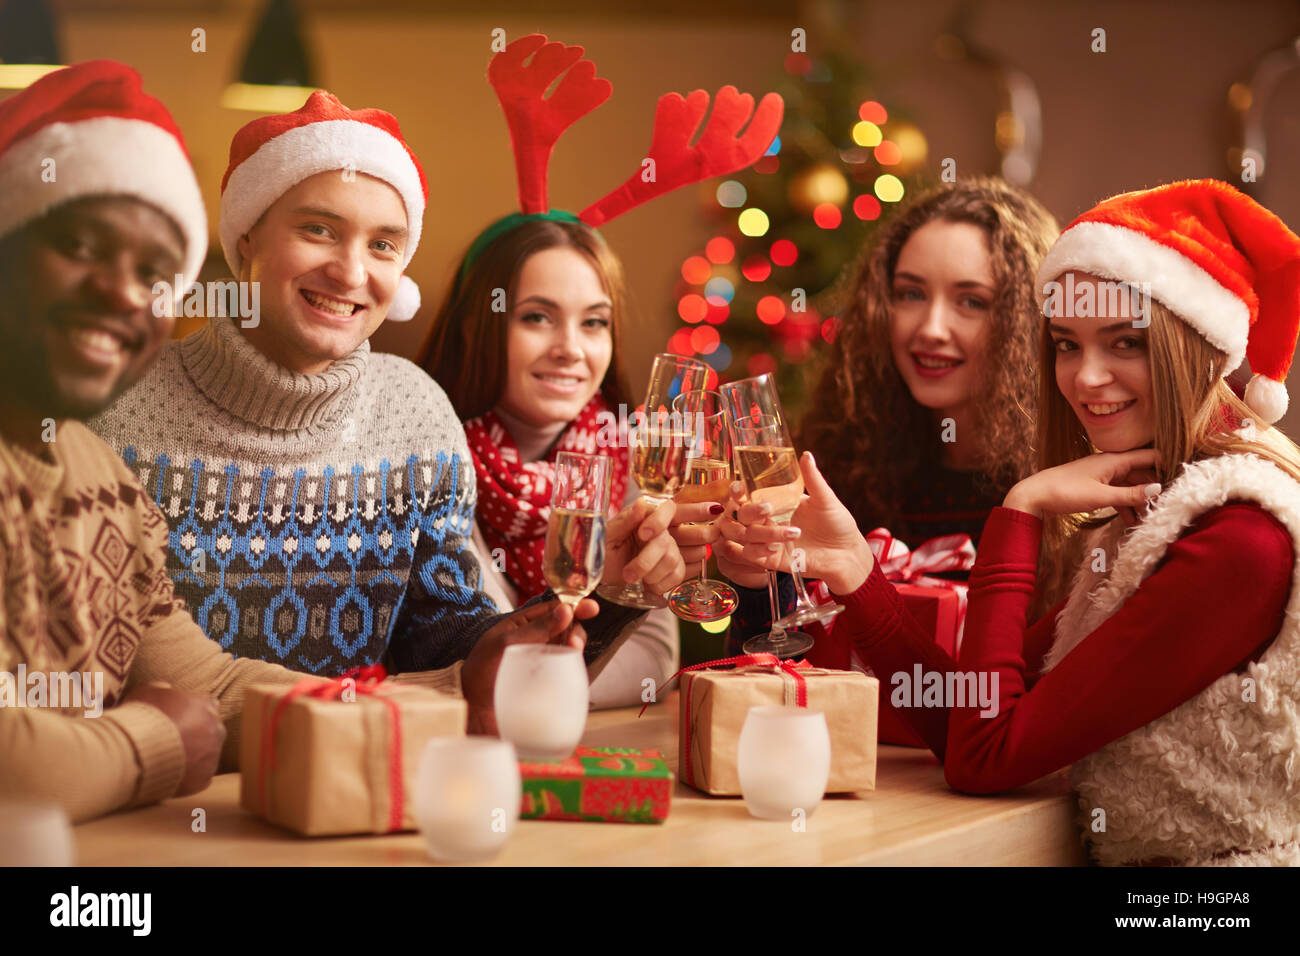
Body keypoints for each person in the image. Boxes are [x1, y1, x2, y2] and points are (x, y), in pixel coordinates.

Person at [0, 62, 589, 824]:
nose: (121, 292)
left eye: (151, 271)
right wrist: (156, 742)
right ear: (244, 238)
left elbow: (207, 684)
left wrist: (463, 680)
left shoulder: (91, 471)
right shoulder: (110, 428)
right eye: (81, 246)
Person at [719, 179, 1300, 866]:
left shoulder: (1238, 535)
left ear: (1196, 349)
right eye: (1067, 345)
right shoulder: (1158, 511)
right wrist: (854, 569)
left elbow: (984, 757)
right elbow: (967, 715)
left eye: (1125, 342)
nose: (1085, 377)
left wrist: (1019, 510)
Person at [89, 87, 682, 679]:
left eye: (382, 245)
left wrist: (610, 593)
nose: (351, 272)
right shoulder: (114, 407)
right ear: (247, 236)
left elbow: (446, 642)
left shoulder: (414, 409)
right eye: (318, 229)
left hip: (360, 739)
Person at [417, 33, 783, 706]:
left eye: (594, 322)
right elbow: (473, 665)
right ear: (477, 323)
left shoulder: (630, 463)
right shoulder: (433, 461)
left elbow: (651, 664)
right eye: (536, 317)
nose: (571, 349)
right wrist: (589, 637)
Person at [721, 178, 1060, 674]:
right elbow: (773, 674)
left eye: (972, 301)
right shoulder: (847, 456)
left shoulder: (1063, 491)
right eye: (910, 294)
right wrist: (756, 586)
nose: (931, 329)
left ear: (1028, 320)